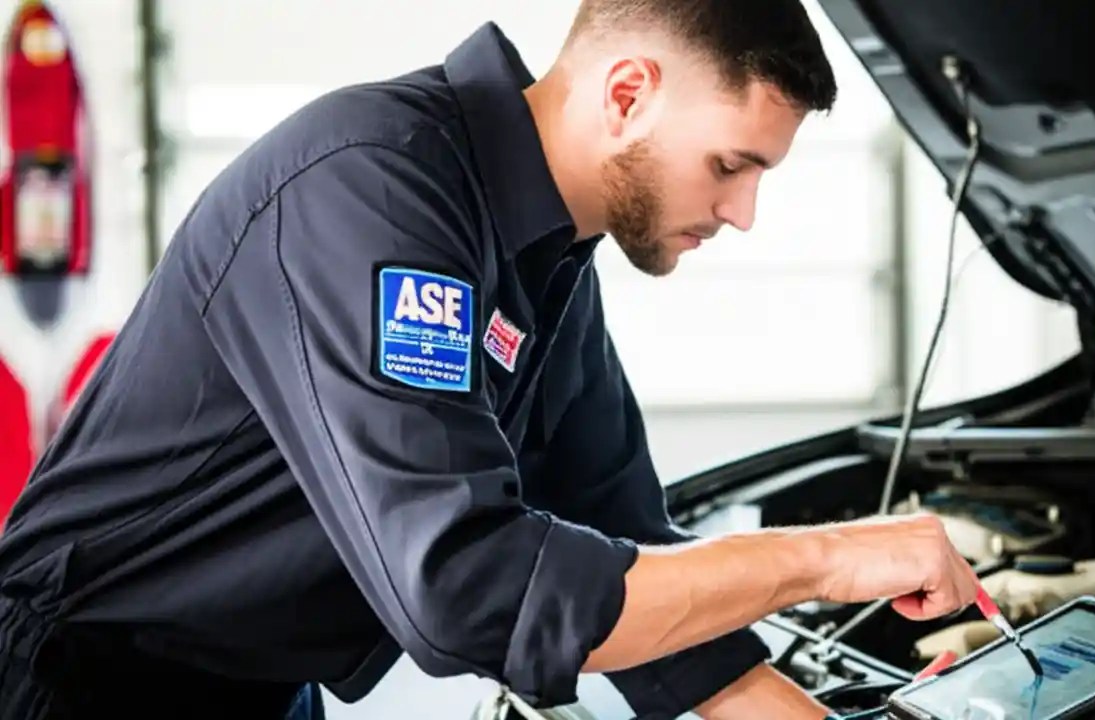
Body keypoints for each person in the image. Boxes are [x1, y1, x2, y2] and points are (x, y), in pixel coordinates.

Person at [0, 1, 981, 718]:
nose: (741, 213)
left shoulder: (548, 270)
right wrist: (827, 557)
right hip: (73, 683)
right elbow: (468, 588)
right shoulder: (375, 194)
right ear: (628, 93)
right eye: (730, 165)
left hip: (252, 693)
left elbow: (649, 578)